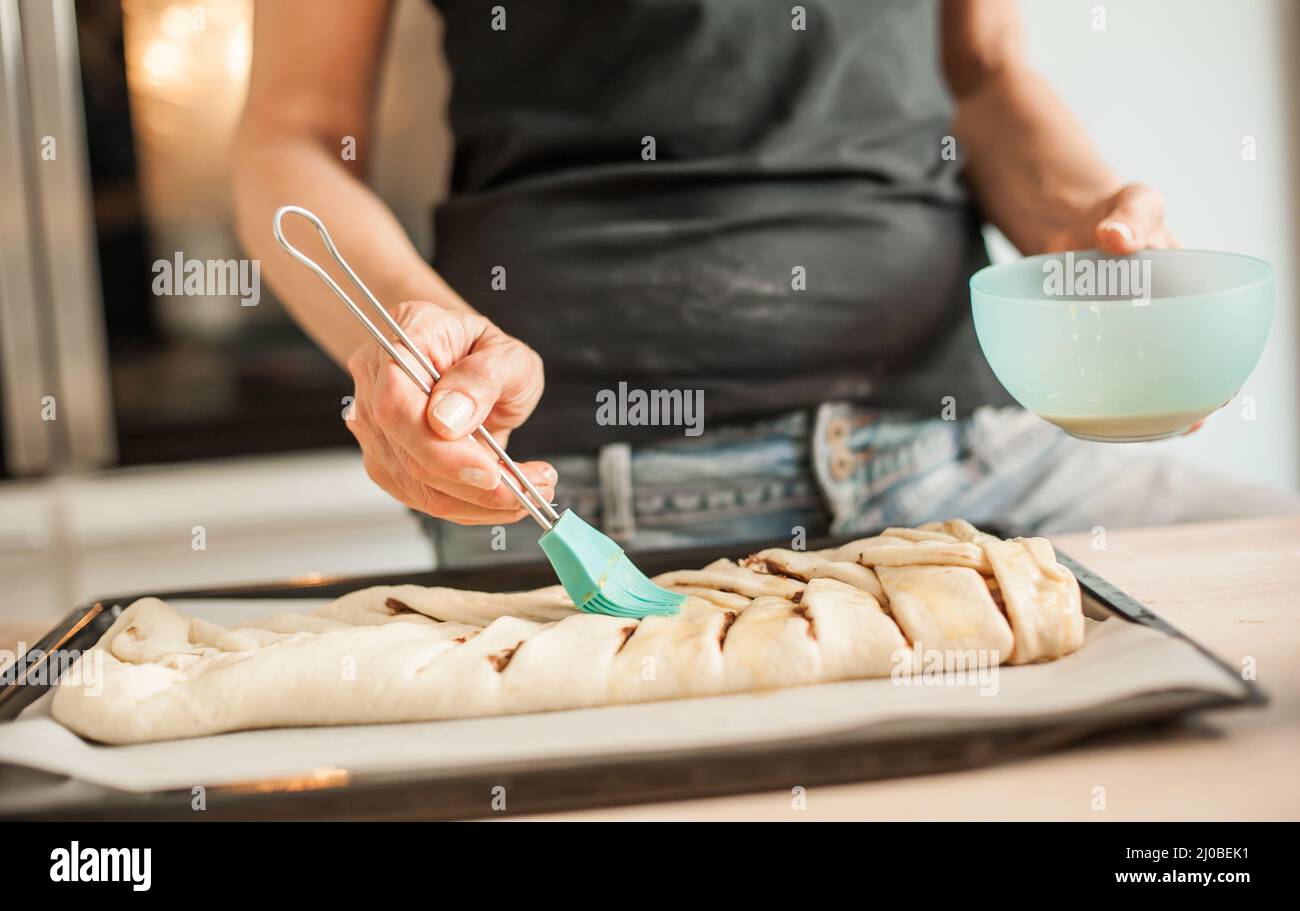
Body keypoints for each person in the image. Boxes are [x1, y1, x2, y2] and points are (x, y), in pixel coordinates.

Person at [232, 0, 1295, 567]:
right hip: (603, 504)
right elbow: (293, 134)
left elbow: (978, 68)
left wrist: (1089, 229)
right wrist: (426, 339)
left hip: (987, 457)